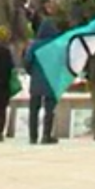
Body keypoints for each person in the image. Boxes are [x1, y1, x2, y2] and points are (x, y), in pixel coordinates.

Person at [23, 17, 61, 145]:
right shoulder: (57, 45)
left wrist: (32, 73)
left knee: (34, 109)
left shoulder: (35, 45)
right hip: (52, 80)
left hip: (36, 82)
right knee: (49, 110)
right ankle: (46, 135)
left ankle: (33, 136)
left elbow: (27, 61)